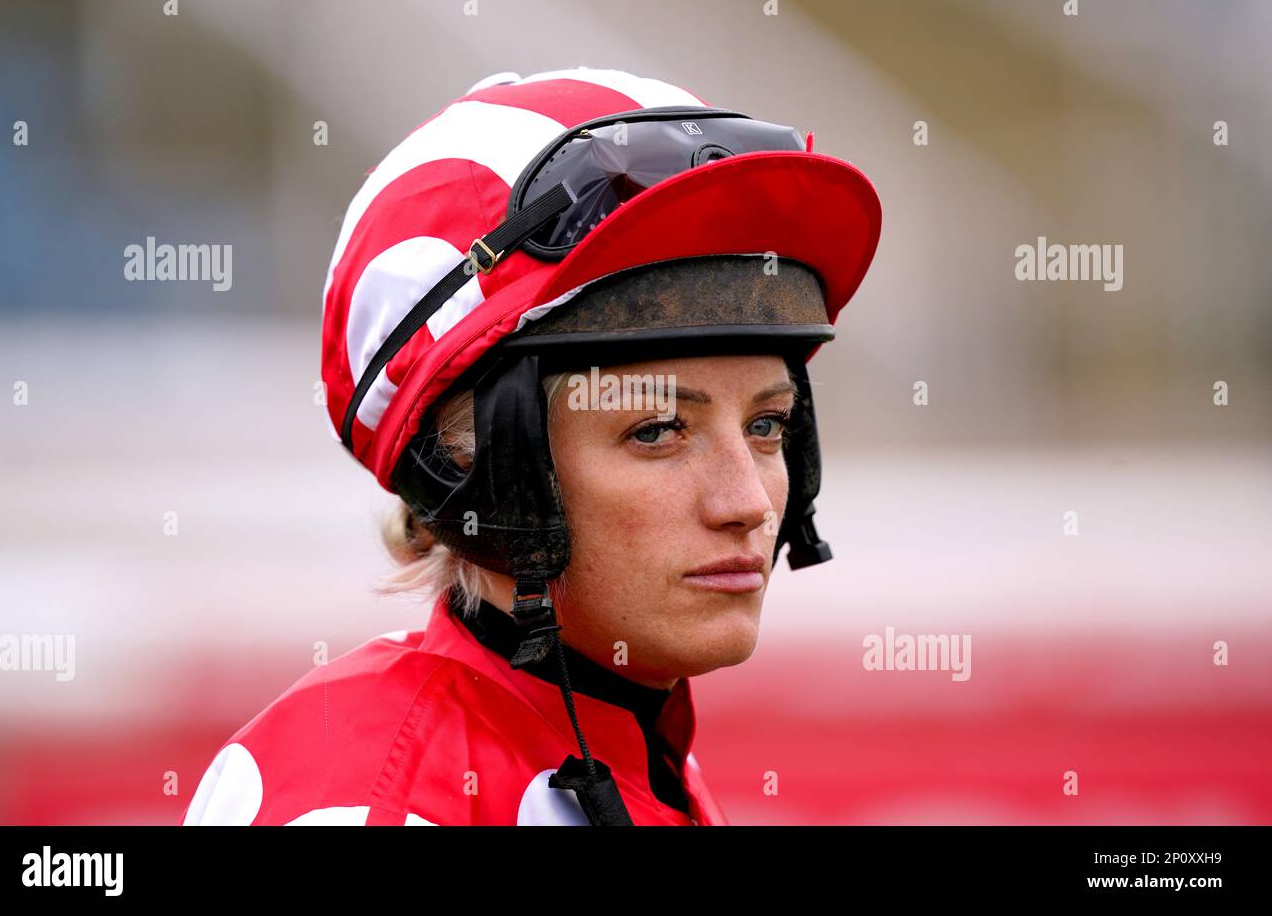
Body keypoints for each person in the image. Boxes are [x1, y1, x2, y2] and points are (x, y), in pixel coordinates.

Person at [179, 66, 880, 826]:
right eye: (657, 431)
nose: (746, 503)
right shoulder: (366, 798)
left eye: (766, 426)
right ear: (474, 470)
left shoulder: (632, 745)